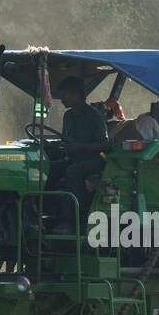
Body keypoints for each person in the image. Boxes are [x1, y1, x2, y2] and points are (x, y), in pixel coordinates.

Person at [54, 75, 110, 223]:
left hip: (95, 159)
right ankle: (47, 215)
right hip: (73, 158)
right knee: (51, 168)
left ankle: (76, 219)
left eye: (64, 95)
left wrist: (79, 147)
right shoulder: (67, 116)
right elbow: (65, 139)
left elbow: (105, 145)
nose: (62, 99)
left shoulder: (93, 116)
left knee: (73, 171)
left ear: (76, 93)